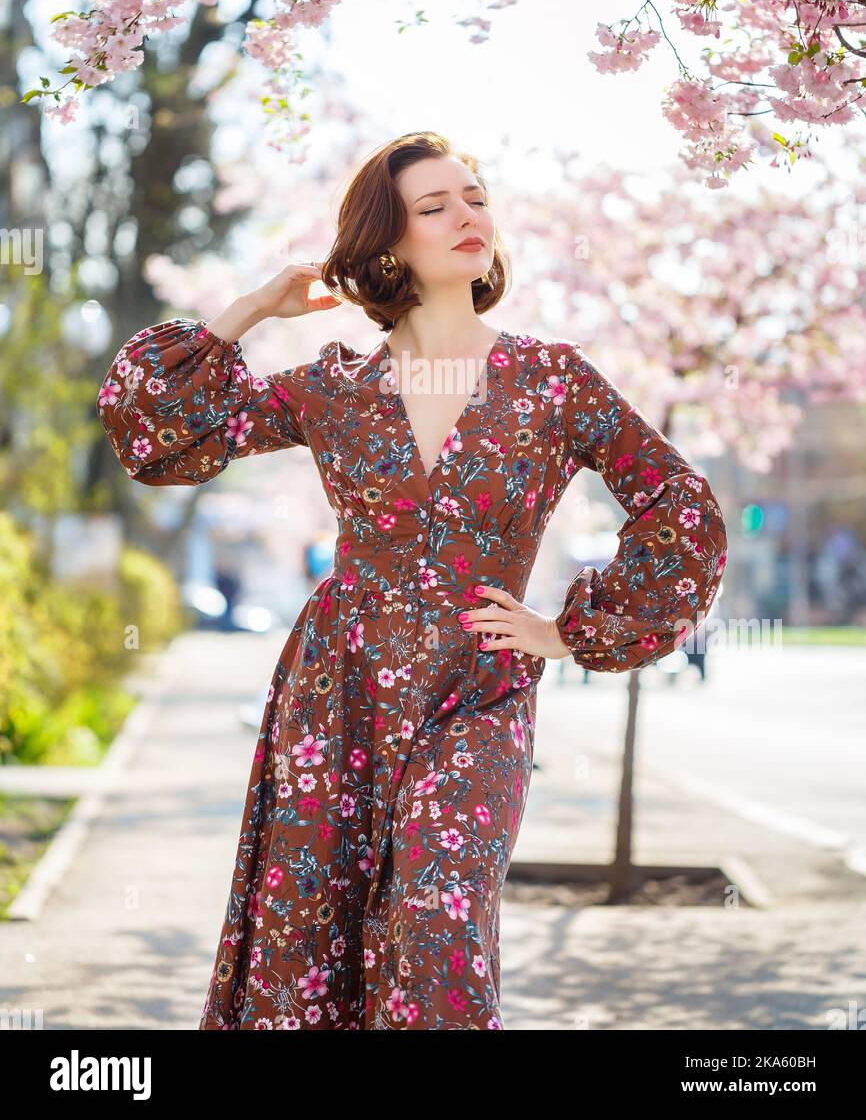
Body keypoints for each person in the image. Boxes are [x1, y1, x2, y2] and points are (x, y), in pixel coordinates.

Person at [95, 130, 727, 1030]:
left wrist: (570, 631)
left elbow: (678, 501)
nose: (467, 216)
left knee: (438, 915)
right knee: (309, 939)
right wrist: (251, 309)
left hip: (477, 693)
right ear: (388, 244)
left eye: (475, 198)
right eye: (434, 207)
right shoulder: (332, 388)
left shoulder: (552, 382)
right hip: (337, 691)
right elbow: (159, 436)